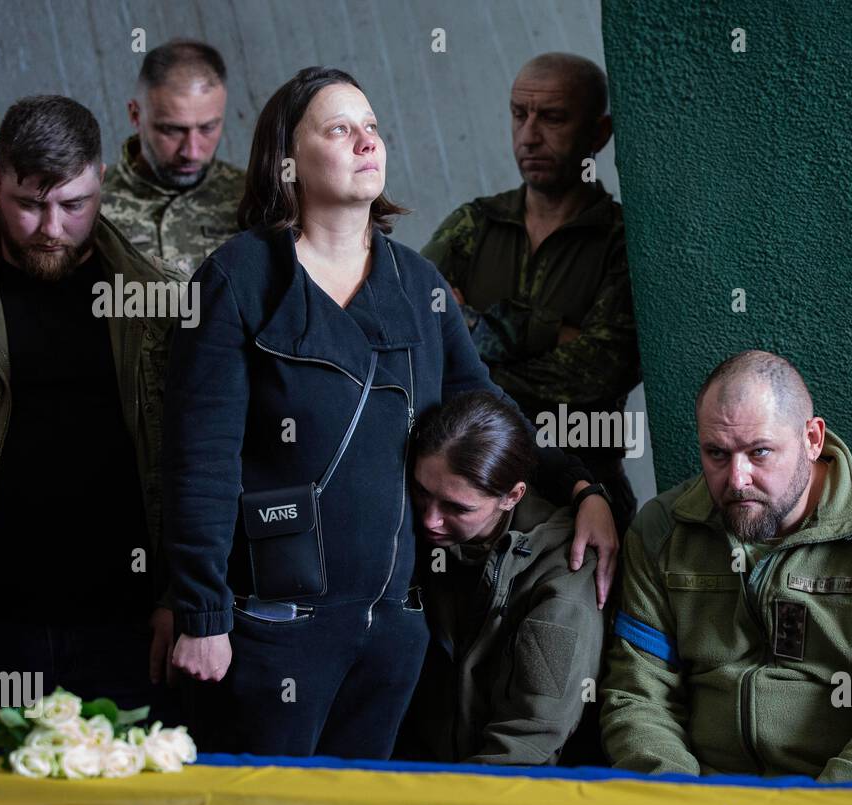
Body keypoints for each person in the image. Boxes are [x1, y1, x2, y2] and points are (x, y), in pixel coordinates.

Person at [161, 67, 617, 759]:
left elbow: (487, 407)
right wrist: (200, 611)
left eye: (371, 127)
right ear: (287, 158)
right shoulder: (238, 278)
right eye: (340, 129)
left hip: (391, 631)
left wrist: (581, 485)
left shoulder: (417, 284)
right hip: (269, 627)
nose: (366, 142)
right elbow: (200, 458)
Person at [599, 351, 852, 783]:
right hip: (702, 798)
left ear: (812, 439)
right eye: (716, 453)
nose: (737, 479)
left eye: (760, 452)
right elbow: (638, 694)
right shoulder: (662, 531)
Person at [0, 95, 182, 738]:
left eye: (73, 204)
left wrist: (176, 598)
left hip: (127, 623)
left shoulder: (159, 301)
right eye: (28, 203)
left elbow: (195, 464)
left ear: (100, 182)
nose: (51, 226)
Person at [421, 53, 640, 534]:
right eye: (520, 114)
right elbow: (416, 330)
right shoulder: (473, 223)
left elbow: (595, 375)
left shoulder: (622, 242)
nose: (530, 135)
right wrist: (547, 333)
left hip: (583, 500)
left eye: (553, 118)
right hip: (466, 502)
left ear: (598, 133)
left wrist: (471, 342)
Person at [394, 391, 604, 765]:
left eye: (457, 508)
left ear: (512, 496)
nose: (430, 520)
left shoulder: (561, 580)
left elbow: (529, 739)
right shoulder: (413, 534)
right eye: (423, 494)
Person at [102, 39, 246, 276]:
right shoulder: (86, 205)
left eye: (208, 128)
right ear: (135, 115)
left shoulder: (253, 199)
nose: (191, 152)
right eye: (172, 130)